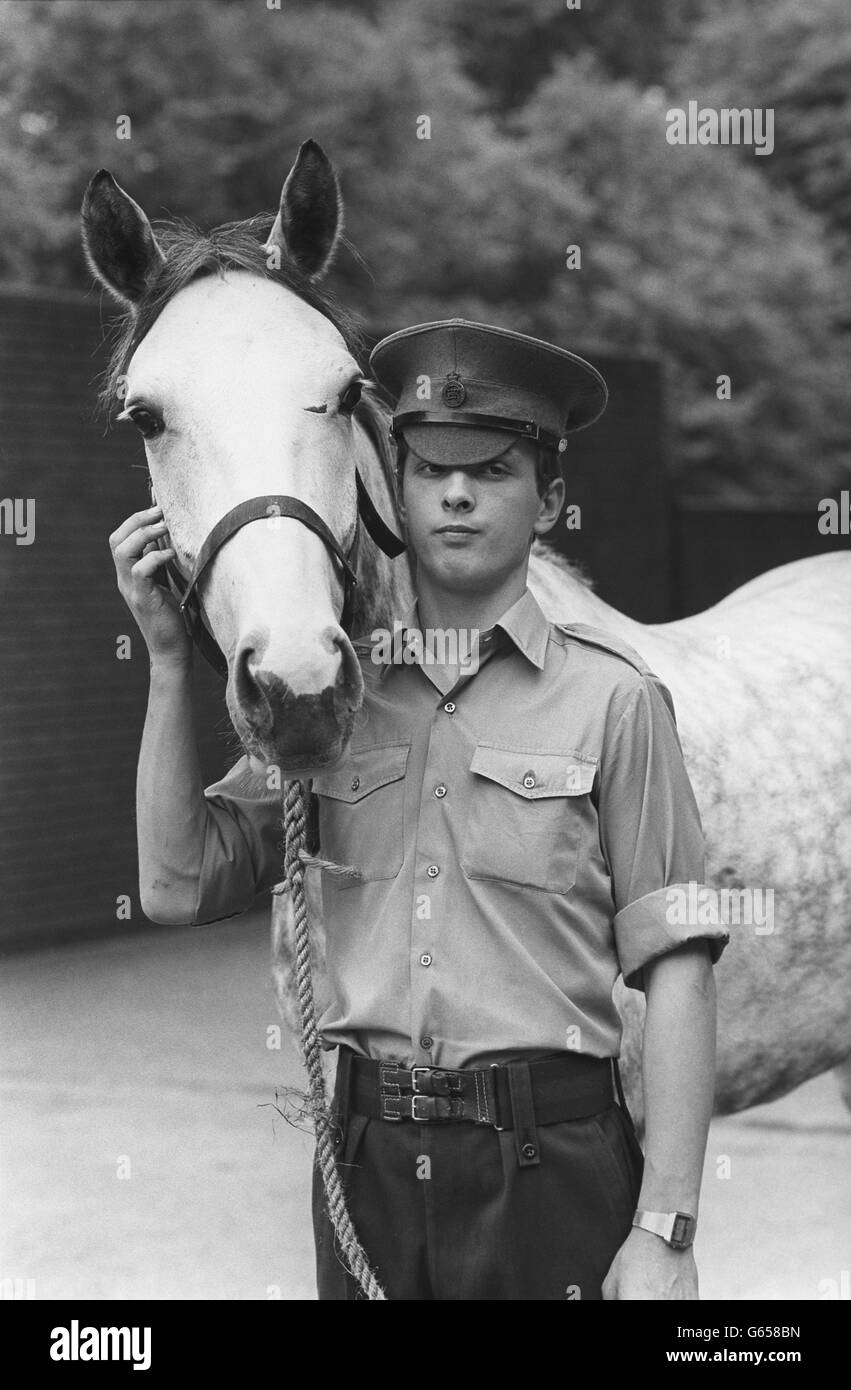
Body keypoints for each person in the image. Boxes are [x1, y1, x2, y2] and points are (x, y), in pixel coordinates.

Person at [111, 319, 728, 1301]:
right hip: (366, 1167)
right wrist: (171, 658)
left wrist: (666, 1225)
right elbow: (176, 885)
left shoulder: (616, 703)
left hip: (551, 1166)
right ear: (391, 495)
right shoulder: (329, 704)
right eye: (430, 469)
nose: (453, 493)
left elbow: (683, 975)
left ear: (549, 500)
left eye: (490, 470)